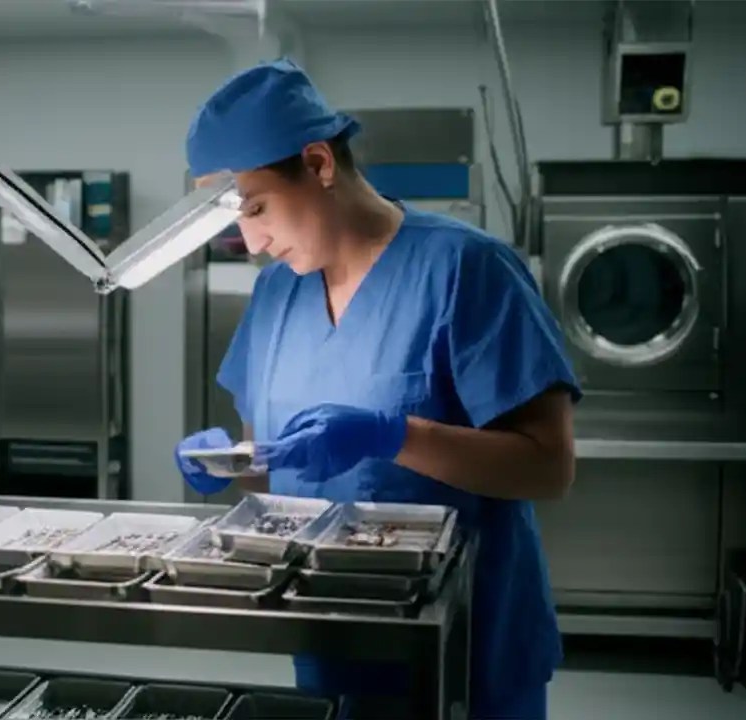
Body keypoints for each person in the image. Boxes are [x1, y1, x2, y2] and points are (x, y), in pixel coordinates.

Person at [175, 58, 580, 720]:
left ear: (318, 164)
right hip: (332, 640)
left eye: (254, 207)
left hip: (467, 644)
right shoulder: (279, 292)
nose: (249, 242)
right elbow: (273, 470)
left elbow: (548, 467)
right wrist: (232, 463)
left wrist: (394, 435)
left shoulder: (466, 269)